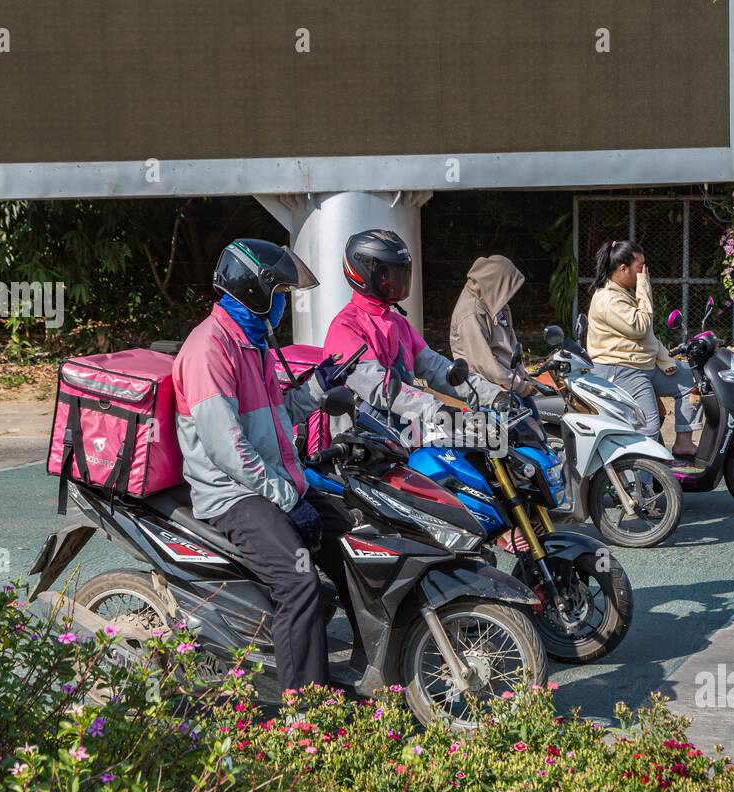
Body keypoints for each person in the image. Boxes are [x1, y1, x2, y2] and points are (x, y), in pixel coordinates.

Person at [172, 239, 354, 693]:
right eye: (280, 295)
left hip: (273, 482)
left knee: (355, 543)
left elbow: (277, 418)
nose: (282, 307)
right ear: (254, 291)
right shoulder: (209, 349)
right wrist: (287, 497)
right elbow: (226, 448)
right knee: (297, 582)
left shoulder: (252, 344)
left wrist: (316, 390)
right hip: (233, 494)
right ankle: (305, 710)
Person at [322, 229, 504, 443]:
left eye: (401, 273)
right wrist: (436, 410)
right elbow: (378, 387)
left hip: (403, 432)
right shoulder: (345, 326)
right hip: (360, 444)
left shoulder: (397, 323)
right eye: (387, 275)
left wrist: (493, 395)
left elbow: (436, 367)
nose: (396, 282)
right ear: (364, 274)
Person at [585, 239, 698, 462]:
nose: (644, 271)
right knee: (648, 425)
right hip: (622, 369)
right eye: (640, 266)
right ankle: (640, 484)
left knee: (692, 380)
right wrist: (644, 286)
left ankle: (684, 443)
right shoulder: (608, 300)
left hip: (642, 364)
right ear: (623, 268)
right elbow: (640, 327)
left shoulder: (623, 291)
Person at [448, 255, 539, 414]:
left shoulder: (496, 304)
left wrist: (522, 378)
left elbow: (510, 346)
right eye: (506, 287)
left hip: (511, 385)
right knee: (522, 435)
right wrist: (519, 385)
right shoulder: (470, 313)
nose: (509, 295)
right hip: (492, 393)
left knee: (537, 433)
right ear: (495, 283)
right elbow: (485, 365)